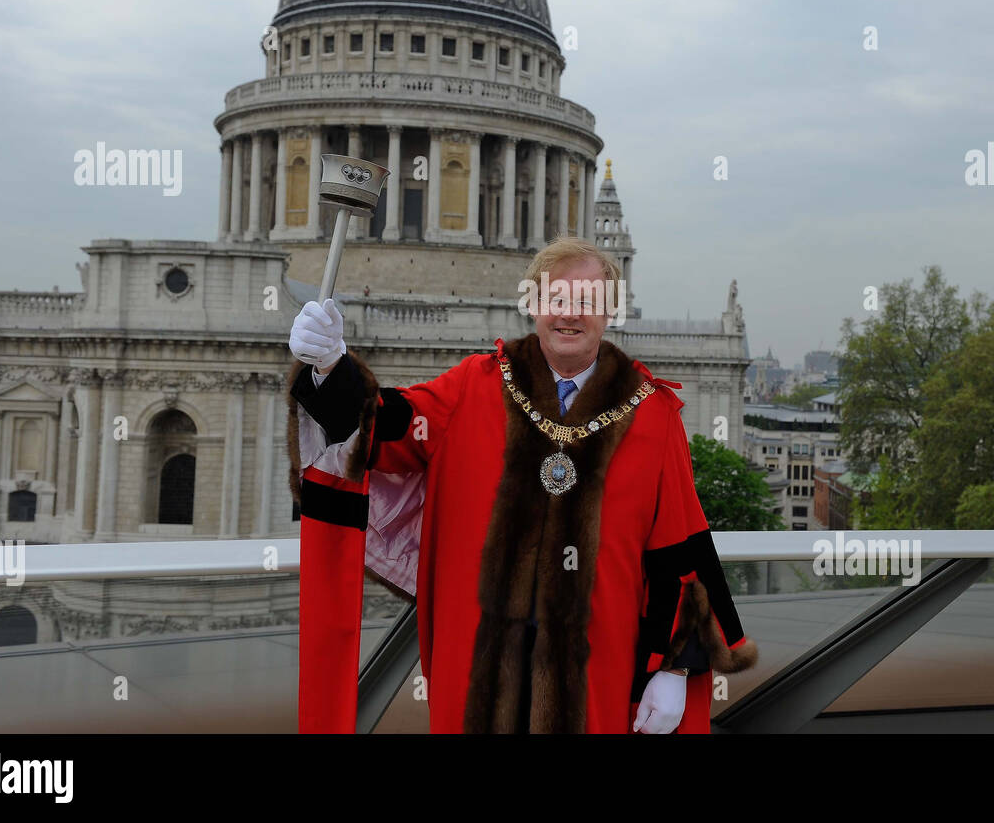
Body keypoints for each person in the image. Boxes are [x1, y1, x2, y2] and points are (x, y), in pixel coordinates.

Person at [286, 236, 756, 733]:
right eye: (555, 300)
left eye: (586, 303)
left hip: (599, 673)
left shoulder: (653, 414)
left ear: (612, 311)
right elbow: (386, 428)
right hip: (477, 668)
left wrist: (676, 666)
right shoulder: (472, 385)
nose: (568, 316)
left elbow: (679, 545)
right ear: (532, 304)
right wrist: (330, 369)